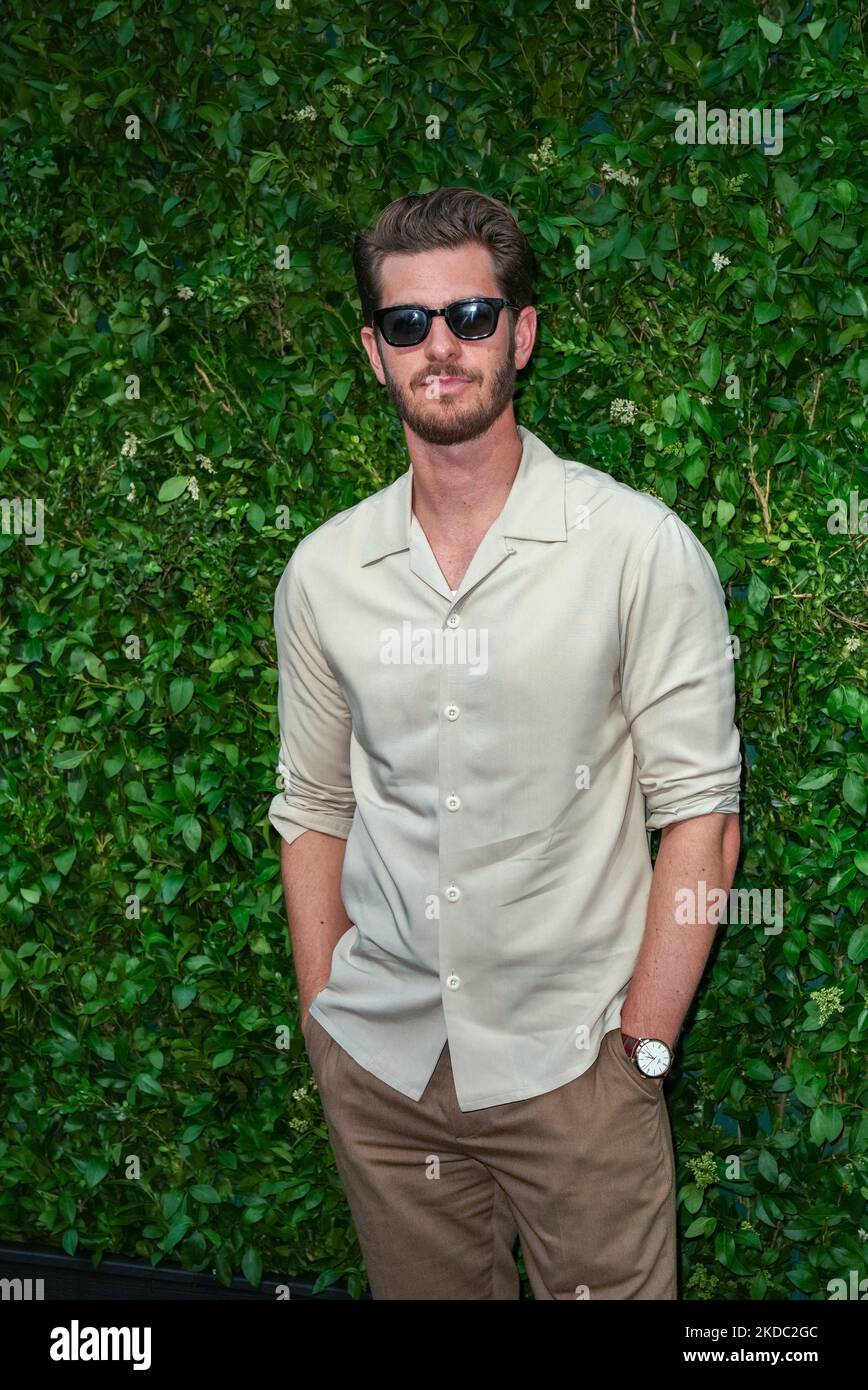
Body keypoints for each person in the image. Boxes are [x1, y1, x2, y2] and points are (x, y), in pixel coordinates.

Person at [267, 186, 742, 1300]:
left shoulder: (635, 547)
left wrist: (642, 1052)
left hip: (577, 1070)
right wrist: (325, 1019)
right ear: (374, 353)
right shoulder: (324, 574)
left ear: (520, 335)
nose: (441, 345)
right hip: (383, 1072)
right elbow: (313, 806)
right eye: (407, 323)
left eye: (471, 317)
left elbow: (703, 820)